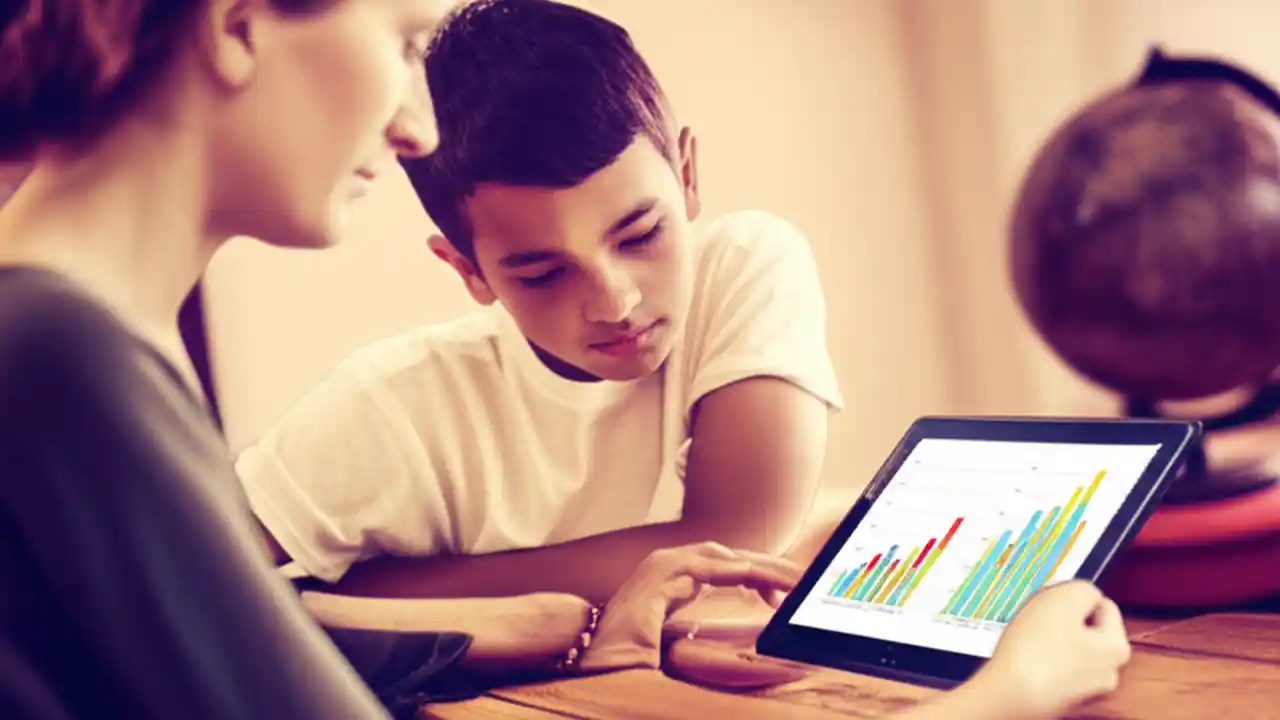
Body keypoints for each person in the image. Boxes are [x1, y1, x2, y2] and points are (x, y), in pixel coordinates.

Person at [0, 1, 1131, 718]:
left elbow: (213, 638)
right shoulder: (62, 356)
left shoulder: (56, 335)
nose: (411, 127)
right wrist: (1009, 693)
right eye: (397, 40)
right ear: (238, 24)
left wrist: (528, 627)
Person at [240, 0, 843, 605]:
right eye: (545, 274)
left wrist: (385, 588)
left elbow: (735, 542)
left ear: (686, 176)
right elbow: (173, 580)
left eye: (640, 237)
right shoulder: (393, 402)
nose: (615, 302)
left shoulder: (743, 265)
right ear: (467, 270)